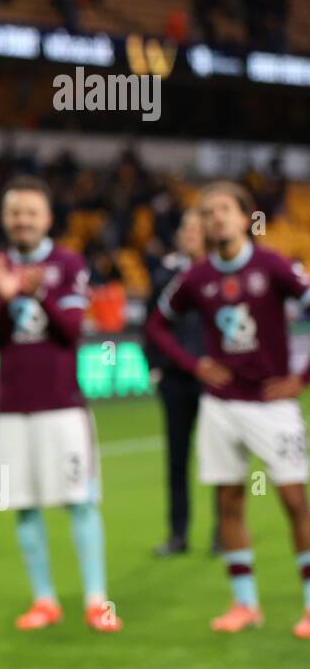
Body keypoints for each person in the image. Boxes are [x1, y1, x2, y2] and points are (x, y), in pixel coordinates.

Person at [146, 181, 310, 638]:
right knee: (229, 502)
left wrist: (302, 378)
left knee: (295, 501)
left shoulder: (272, 265)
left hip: (272, 405)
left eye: (224, 210)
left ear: (245, 217)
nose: (215, 218)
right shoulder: (197, 278)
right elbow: (158, 325)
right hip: (221, 405)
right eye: (207, 212)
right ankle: (245, 605)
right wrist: (194, 365)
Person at [0, 176, 122, 633]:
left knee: (79, 501)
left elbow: (72, 331)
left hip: (63, 406)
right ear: (5, 218)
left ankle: (98, 599)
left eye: (31, 213)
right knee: (24, 505)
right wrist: (7, 299)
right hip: (14, 407)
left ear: (47, 219)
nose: (23, 221)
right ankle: (44, 599)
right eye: (15, 213)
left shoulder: (68, 262)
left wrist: (34, 292)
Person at [144, 209, 209, 556]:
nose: (189, 234)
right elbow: (149, 322)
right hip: (175, 379)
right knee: (177, 459)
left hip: (213, 378)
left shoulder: (218, 273)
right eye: (185, 228)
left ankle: (223, 533)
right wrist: (154, 367)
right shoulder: (165, 273)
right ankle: (178, 533)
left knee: (218, 460)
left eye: (196, 229)